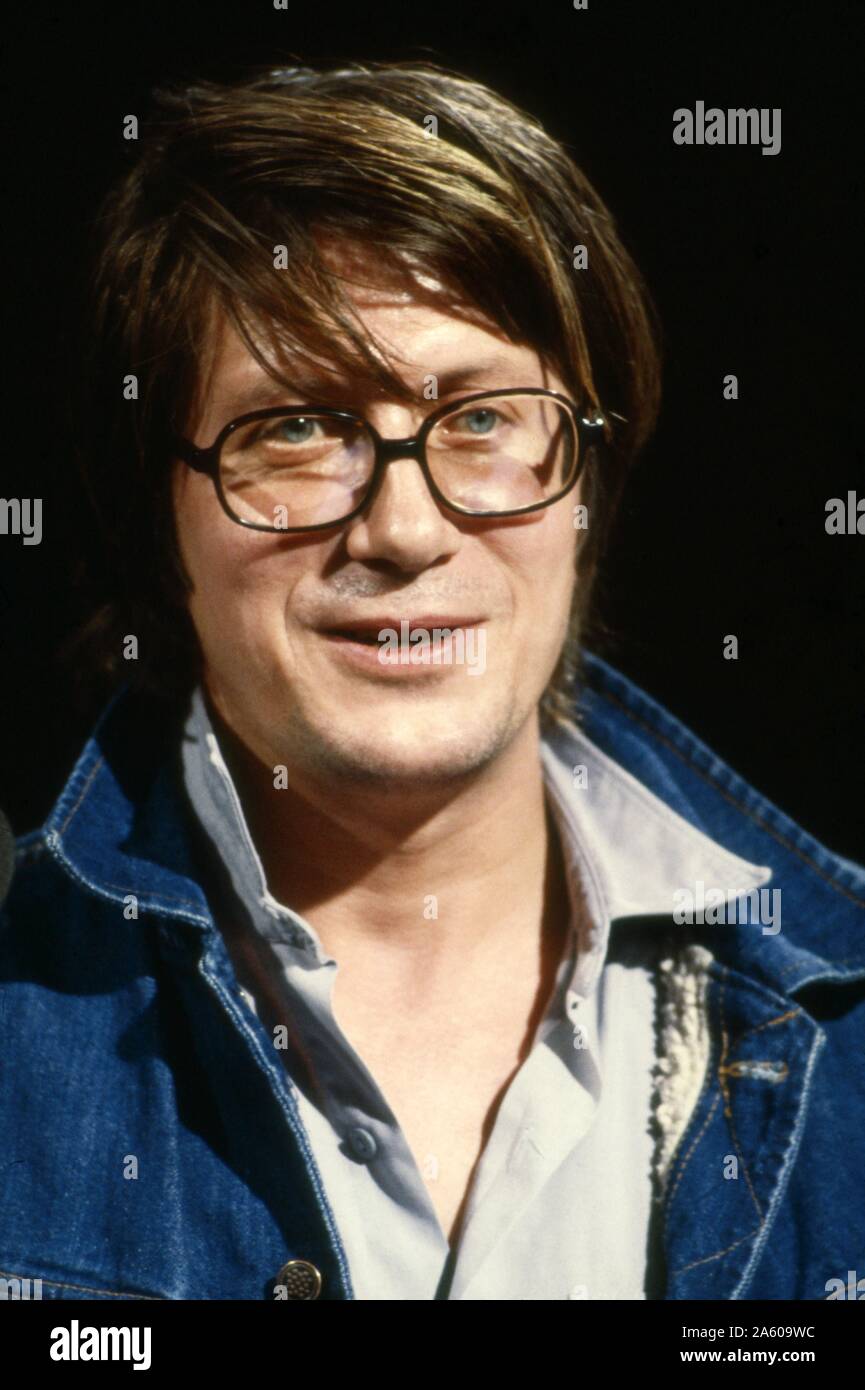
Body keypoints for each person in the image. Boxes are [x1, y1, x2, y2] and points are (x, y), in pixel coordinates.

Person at [1, 61, 862, 1303]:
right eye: (294, 427)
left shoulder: (841, 1016)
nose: (402, 529)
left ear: (583, 486)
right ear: (158, 520)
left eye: (480, 417)